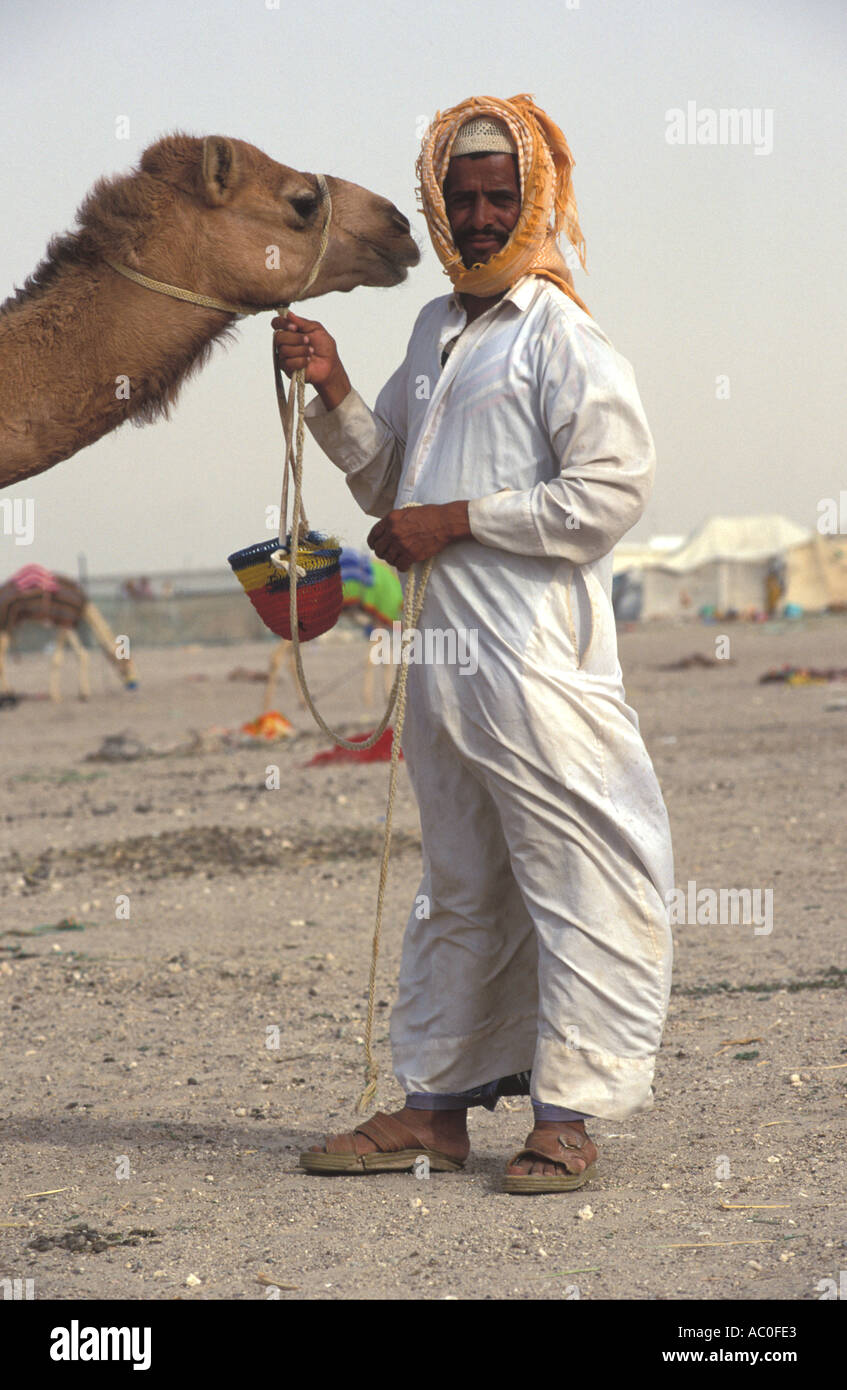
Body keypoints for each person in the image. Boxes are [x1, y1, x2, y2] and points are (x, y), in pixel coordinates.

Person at [274, 94, 674, 1193]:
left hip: (540, 664)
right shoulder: (434, 331)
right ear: (439, 206)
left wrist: (452, 522)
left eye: (503, 197)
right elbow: (393, 480)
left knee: (579, 876)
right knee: (458, 884)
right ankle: (437, 1107)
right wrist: (333, 386)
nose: (485, 216)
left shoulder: (560, 334)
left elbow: (610, 490)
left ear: (535, 199)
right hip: (444, 665)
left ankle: (568, 1118)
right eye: (465, 198)